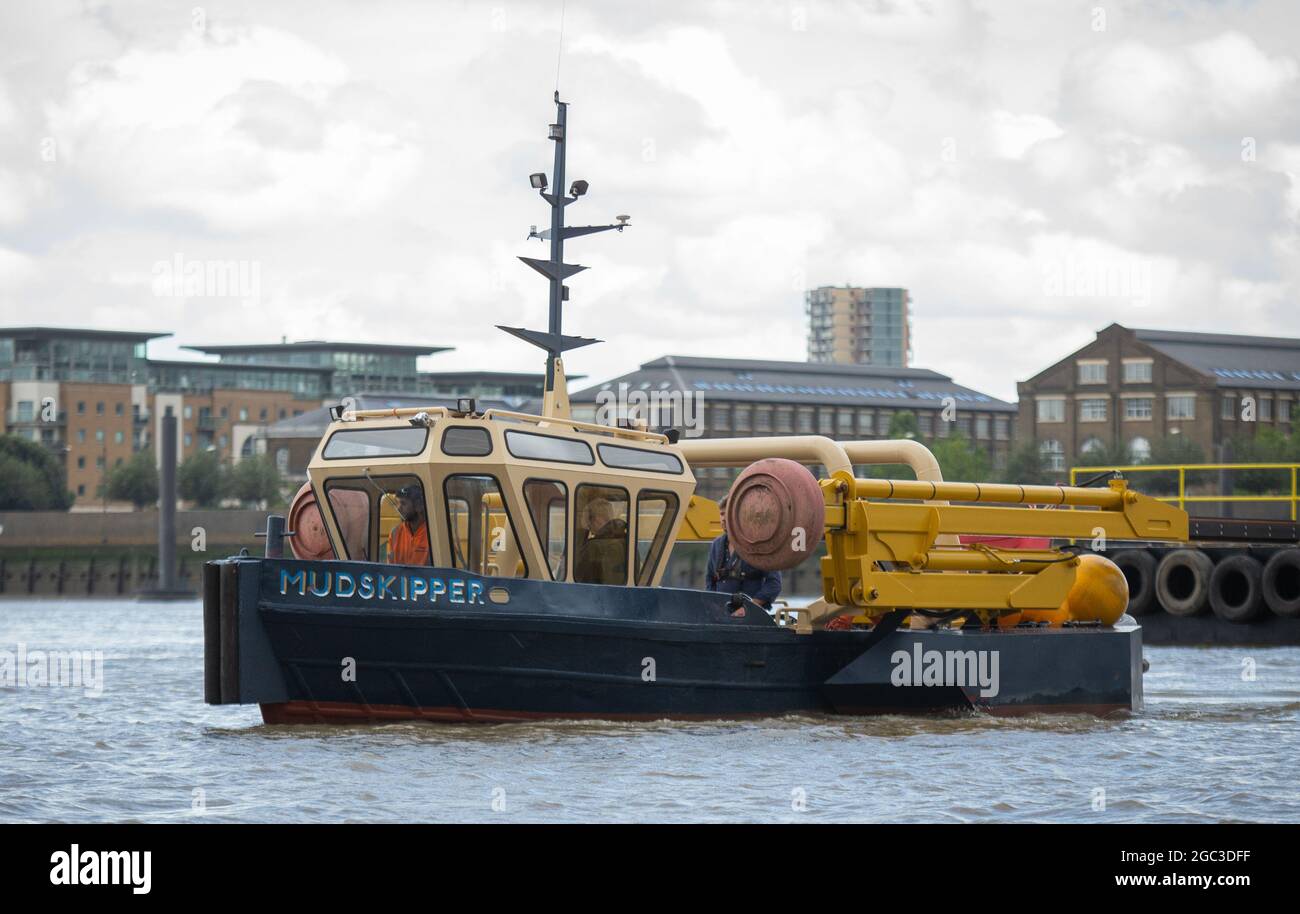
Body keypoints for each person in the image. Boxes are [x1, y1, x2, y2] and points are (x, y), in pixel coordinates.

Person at [706, 496, 782, 611]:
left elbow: (774, 583)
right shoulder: (716, 544)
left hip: (751, 617)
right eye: (722, 514)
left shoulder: (760, 544)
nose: (724, 518)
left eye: (728, 514)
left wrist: (749, 608)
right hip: (721, 614)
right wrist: (714, 606)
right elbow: (710, 580)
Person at [574, 497, 628, 584]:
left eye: (589, 524)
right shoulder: (627, 543)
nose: (590, 530)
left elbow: (579, 579)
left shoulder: (592, 547)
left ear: (597, 519)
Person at [387, 484, 430, 565]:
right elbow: (390, 566)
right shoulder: (395, 533)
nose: (398, 508)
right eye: (397, 503)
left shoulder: (432, 535)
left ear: (419, 506)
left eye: (403, 503)